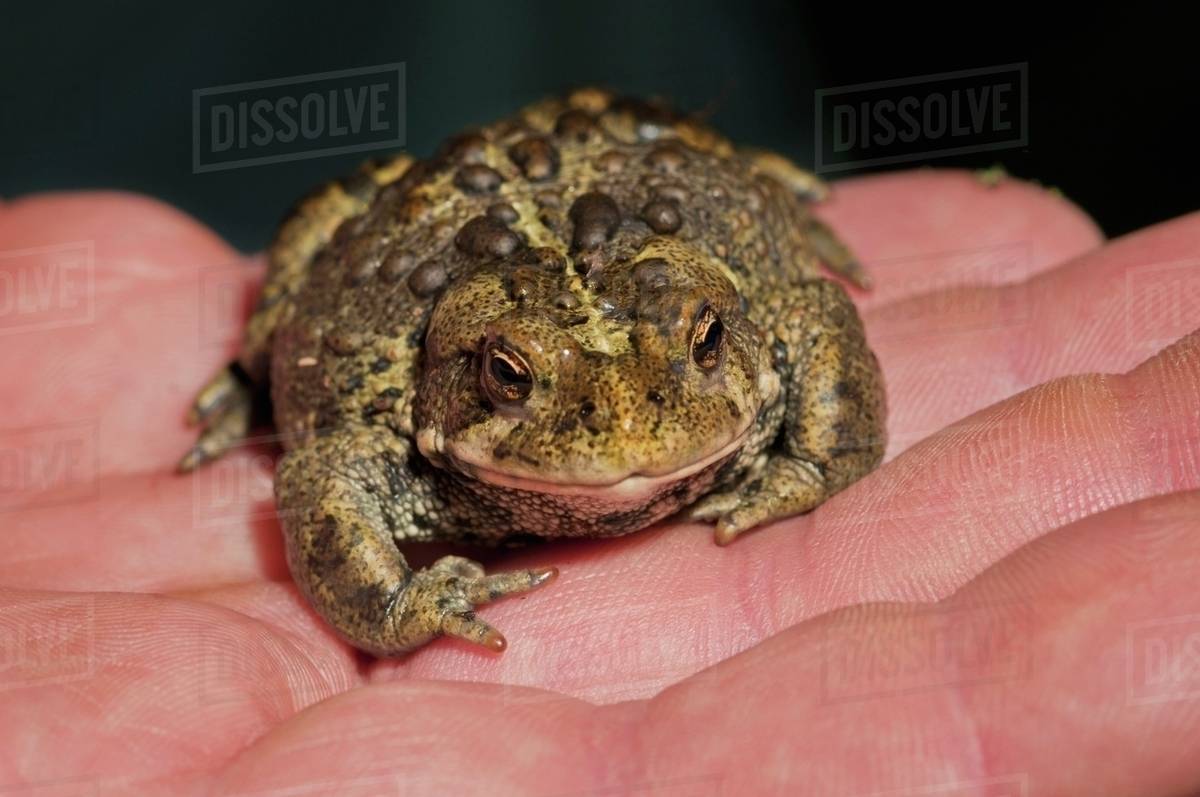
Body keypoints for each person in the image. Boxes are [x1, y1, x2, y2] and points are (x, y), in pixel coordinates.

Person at [1, 169, 1197, 795]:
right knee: (307, 278)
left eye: (703, 351)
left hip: (641, 191)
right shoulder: (400, 418)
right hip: (428, 254)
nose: (623, 429)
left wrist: (814, 459)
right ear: (476, 378)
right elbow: (321, 471)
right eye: (520, 380)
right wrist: (393, 601)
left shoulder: (738, 316)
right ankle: (253, 360)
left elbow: (809, 316)